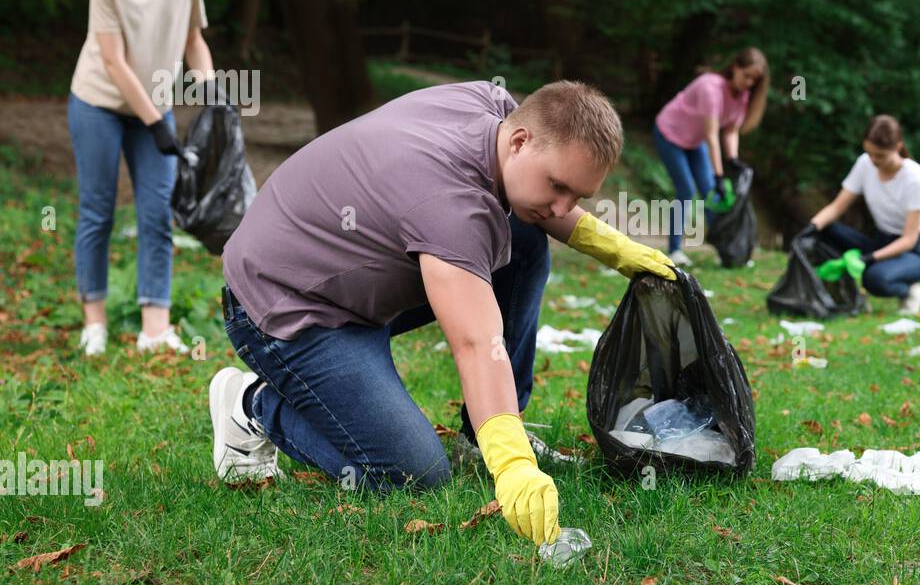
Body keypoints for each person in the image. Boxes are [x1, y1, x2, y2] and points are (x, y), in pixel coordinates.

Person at [208, 80, 677, 547]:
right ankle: (250, 404)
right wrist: (513, 466)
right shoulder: (452, 206)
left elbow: (534, 200)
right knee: (413, 472)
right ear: (519, 142)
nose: (563, 208)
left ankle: (483, 434)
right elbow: (476, 342)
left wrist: (610, 246)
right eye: (557, 187)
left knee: (526, 236)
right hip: (288, 307)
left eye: (576, 198)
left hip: (348, 272)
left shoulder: (493, 107)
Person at [68, 0, 213, 355]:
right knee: (99, 211)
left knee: (157, 215)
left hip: (156, 107)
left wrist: (212, 93)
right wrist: (156, 122)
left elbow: (193, 40)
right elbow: (113, 61)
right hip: (100, 103)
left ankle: (155, 329)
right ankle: (94, 324)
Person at [802, 115, 920, 314]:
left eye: (880, 155)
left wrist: (870, 258)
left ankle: (910, 291)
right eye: (869, 153)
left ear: (897, 147)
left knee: (873, 279)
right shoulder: (865, 164)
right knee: (825, 229)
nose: (873, 160)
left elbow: (909, 239)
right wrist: (811, 227)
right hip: (881, 240)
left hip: (912, 252)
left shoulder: (914, 177)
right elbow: (837, 207)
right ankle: (841, 289)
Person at [652, 47, 769, 266]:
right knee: (686, 189)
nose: (750, 83)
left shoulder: (742, 97)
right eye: (747, 76)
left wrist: (732, 160)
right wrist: (719, 175)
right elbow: (712, 135)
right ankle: (674, 250)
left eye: (755, 80)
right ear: (735, 67)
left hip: (695, 141)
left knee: (711, 195)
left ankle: (728, 252)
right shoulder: (710, 88)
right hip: (670, 134)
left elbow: (731, 131)